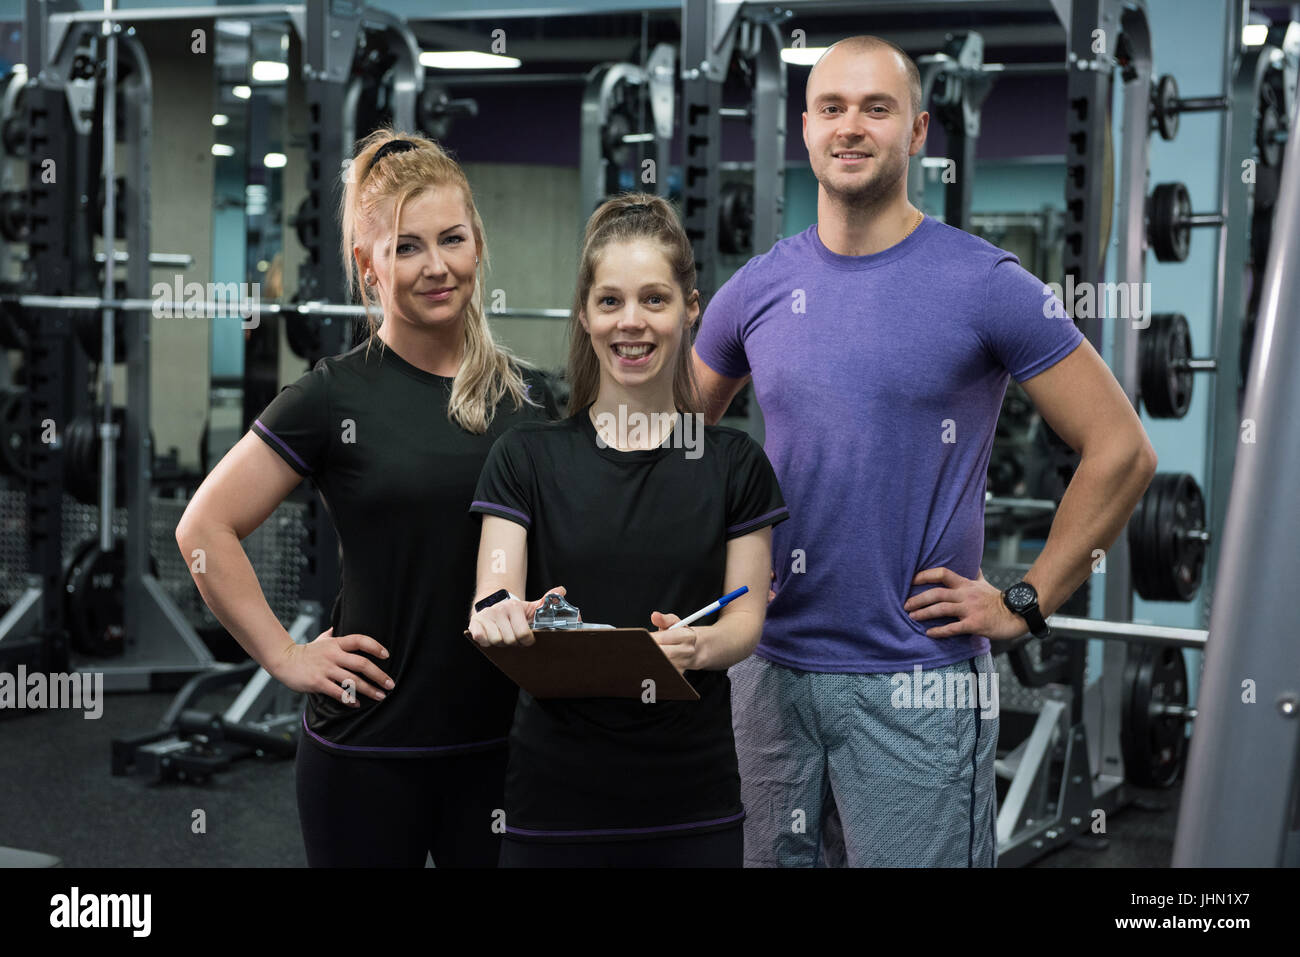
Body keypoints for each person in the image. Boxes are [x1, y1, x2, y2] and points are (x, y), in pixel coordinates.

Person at [692, 36, 1158, 867]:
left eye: (877, 108)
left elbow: (1121, 448)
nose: (851, 126)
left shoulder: (984, 283)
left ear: (917, 132)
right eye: (832, 107)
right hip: (766, 673)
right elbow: (672, 443)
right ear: (805, 128)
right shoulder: (756, 289)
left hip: (916, 680)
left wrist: (1028, 599)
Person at [175, 129, 557, 867]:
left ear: (477, 244)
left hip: (504, 747)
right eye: (408, 247)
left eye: (452, 239)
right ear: (367, 264)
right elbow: (204, 528)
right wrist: (285, 655)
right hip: (368, 748)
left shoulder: (526, 396)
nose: (436, 266)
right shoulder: (332, 394)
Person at [466, 193, 789, 867]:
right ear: (584, 314)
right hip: (554, 796)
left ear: (689, 309)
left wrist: (697, 646)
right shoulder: (524, 457)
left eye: (654, 299)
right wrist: (498, 615)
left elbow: (745, 619)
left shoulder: (735, 465)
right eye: (610, 301)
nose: (631, 322)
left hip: (689, 796)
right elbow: (493, 592)